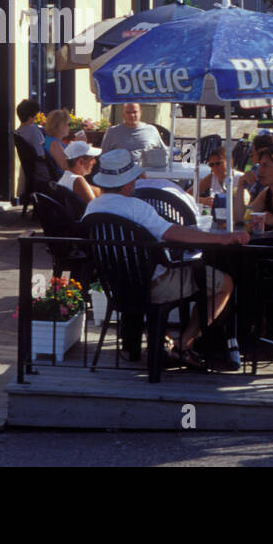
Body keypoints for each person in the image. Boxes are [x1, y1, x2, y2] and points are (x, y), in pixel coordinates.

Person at [83, 149, 248, 368]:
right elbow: (175, 233)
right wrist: (220, 239)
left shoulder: (93, 207)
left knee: (197, 275)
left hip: (117, 286)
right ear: (125, 183)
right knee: (225, 283)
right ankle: (184, 344)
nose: (135, 182)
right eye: (133, 178)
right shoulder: (136, 208)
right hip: (153, 285)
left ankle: (165, 340)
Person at [100, 102, 167, 164]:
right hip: (121, 174)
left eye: (135, 112)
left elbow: (164, 152)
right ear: (123, 114)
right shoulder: (112, 132)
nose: (132, 115)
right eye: (128, 112)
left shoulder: (151, 130)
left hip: (146, 173)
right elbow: (103, 156)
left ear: (140, 113)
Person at [192, 146, 248, 221]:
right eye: (211, 165)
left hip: (236, 219)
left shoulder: (240, 178)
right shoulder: (211, 178)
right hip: (217, 219)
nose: (215, 167)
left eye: (218, 163)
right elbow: (187, 195)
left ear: (229, 162)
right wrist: (202, 200)